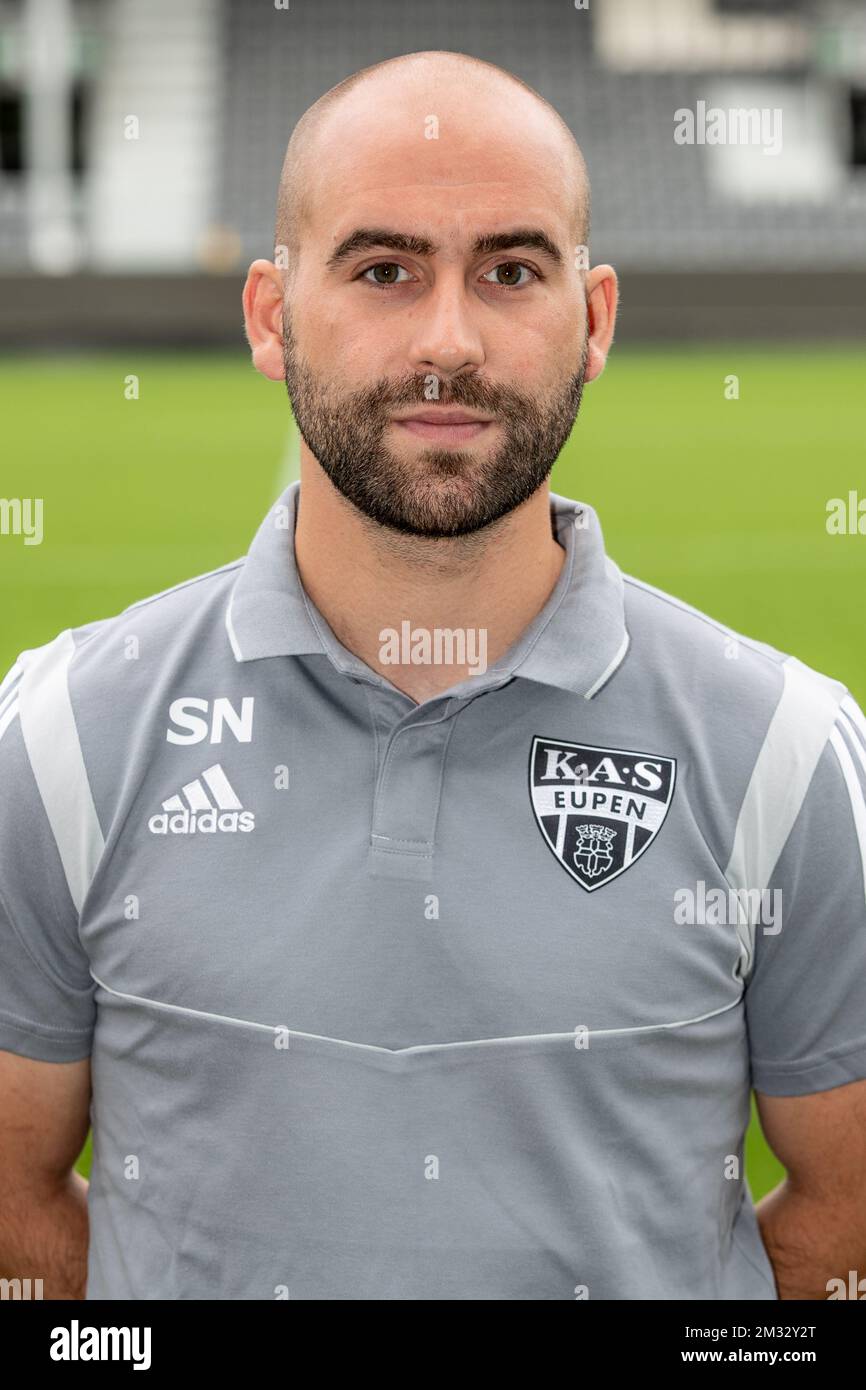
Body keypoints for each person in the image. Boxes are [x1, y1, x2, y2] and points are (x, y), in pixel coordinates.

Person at [1, 51, 865, 1302]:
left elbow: (846, 1204)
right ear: (268, 313)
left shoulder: (785, 747)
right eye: (383, 269)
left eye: (510, 271)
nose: (447, 340)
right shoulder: (61, 742)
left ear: (594, 320)